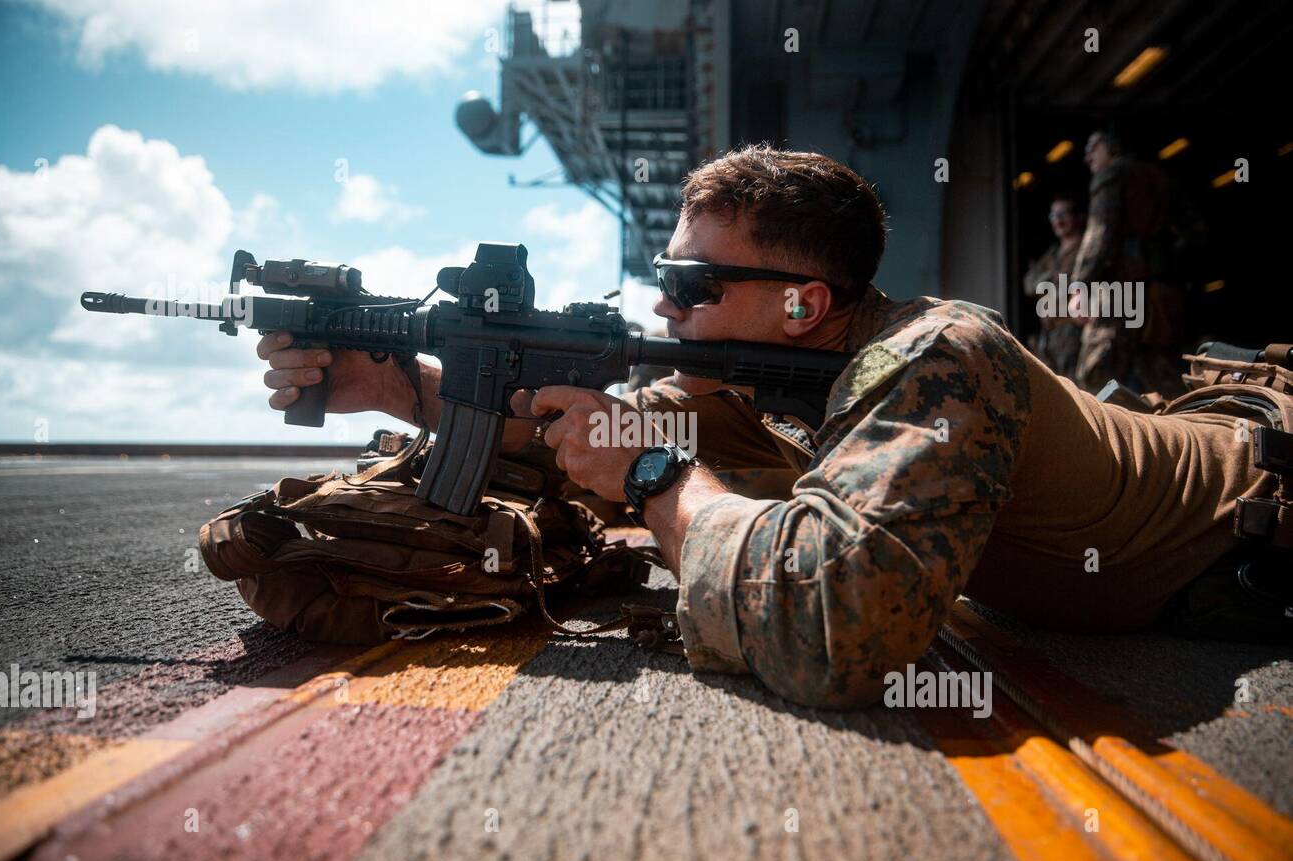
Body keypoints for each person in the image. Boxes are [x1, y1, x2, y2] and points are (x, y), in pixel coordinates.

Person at [256, 146, 1274, 709]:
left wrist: (655, 475)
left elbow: (837, 627)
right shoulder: (753, 384)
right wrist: (403, 390)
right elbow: (574, 447)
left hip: (1249, 535)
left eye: (692, 287)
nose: (665, 312)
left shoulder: (939, 355)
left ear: (803, 304)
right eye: (665, 284)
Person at [1070, 130, 1187, 397]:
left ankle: (1097, 437)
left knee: (1095, 375)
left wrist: (1080, 286)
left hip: (1121, 292)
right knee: (1162, 374)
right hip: (1162, 291)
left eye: (1093, 147)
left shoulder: (1112, 175)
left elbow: (1100, 234)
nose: (1087, 157)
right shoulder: (1162, 178)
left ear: (1112, 147)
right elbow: (1195, 232)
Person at [1023, 195, 1085, 379]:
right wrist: (1052, 278)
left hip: (1074, 331)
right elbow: (1029, 283)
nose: (1057, 220)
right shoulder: (1053, 254)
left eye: (1063, 214)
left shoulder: (1085, 249)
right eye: (1053, 215)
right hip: (1050, 334)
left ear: (1078, 217)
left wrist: (1054, 283)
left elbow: (1079, 283)